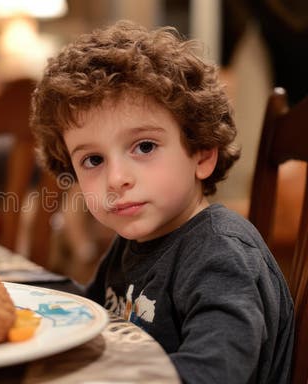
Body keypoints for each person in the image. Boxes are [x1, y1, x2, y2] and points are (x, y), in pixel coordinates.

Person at [30, 20, 294, 383]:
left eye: (144, 147)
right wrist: (15, 289)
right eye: (93, 160)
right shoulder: (132, 243)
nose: (116, 178)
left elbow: (214, 373)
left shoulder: (222, 255)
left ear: (202, 154)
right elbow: (88, 311)